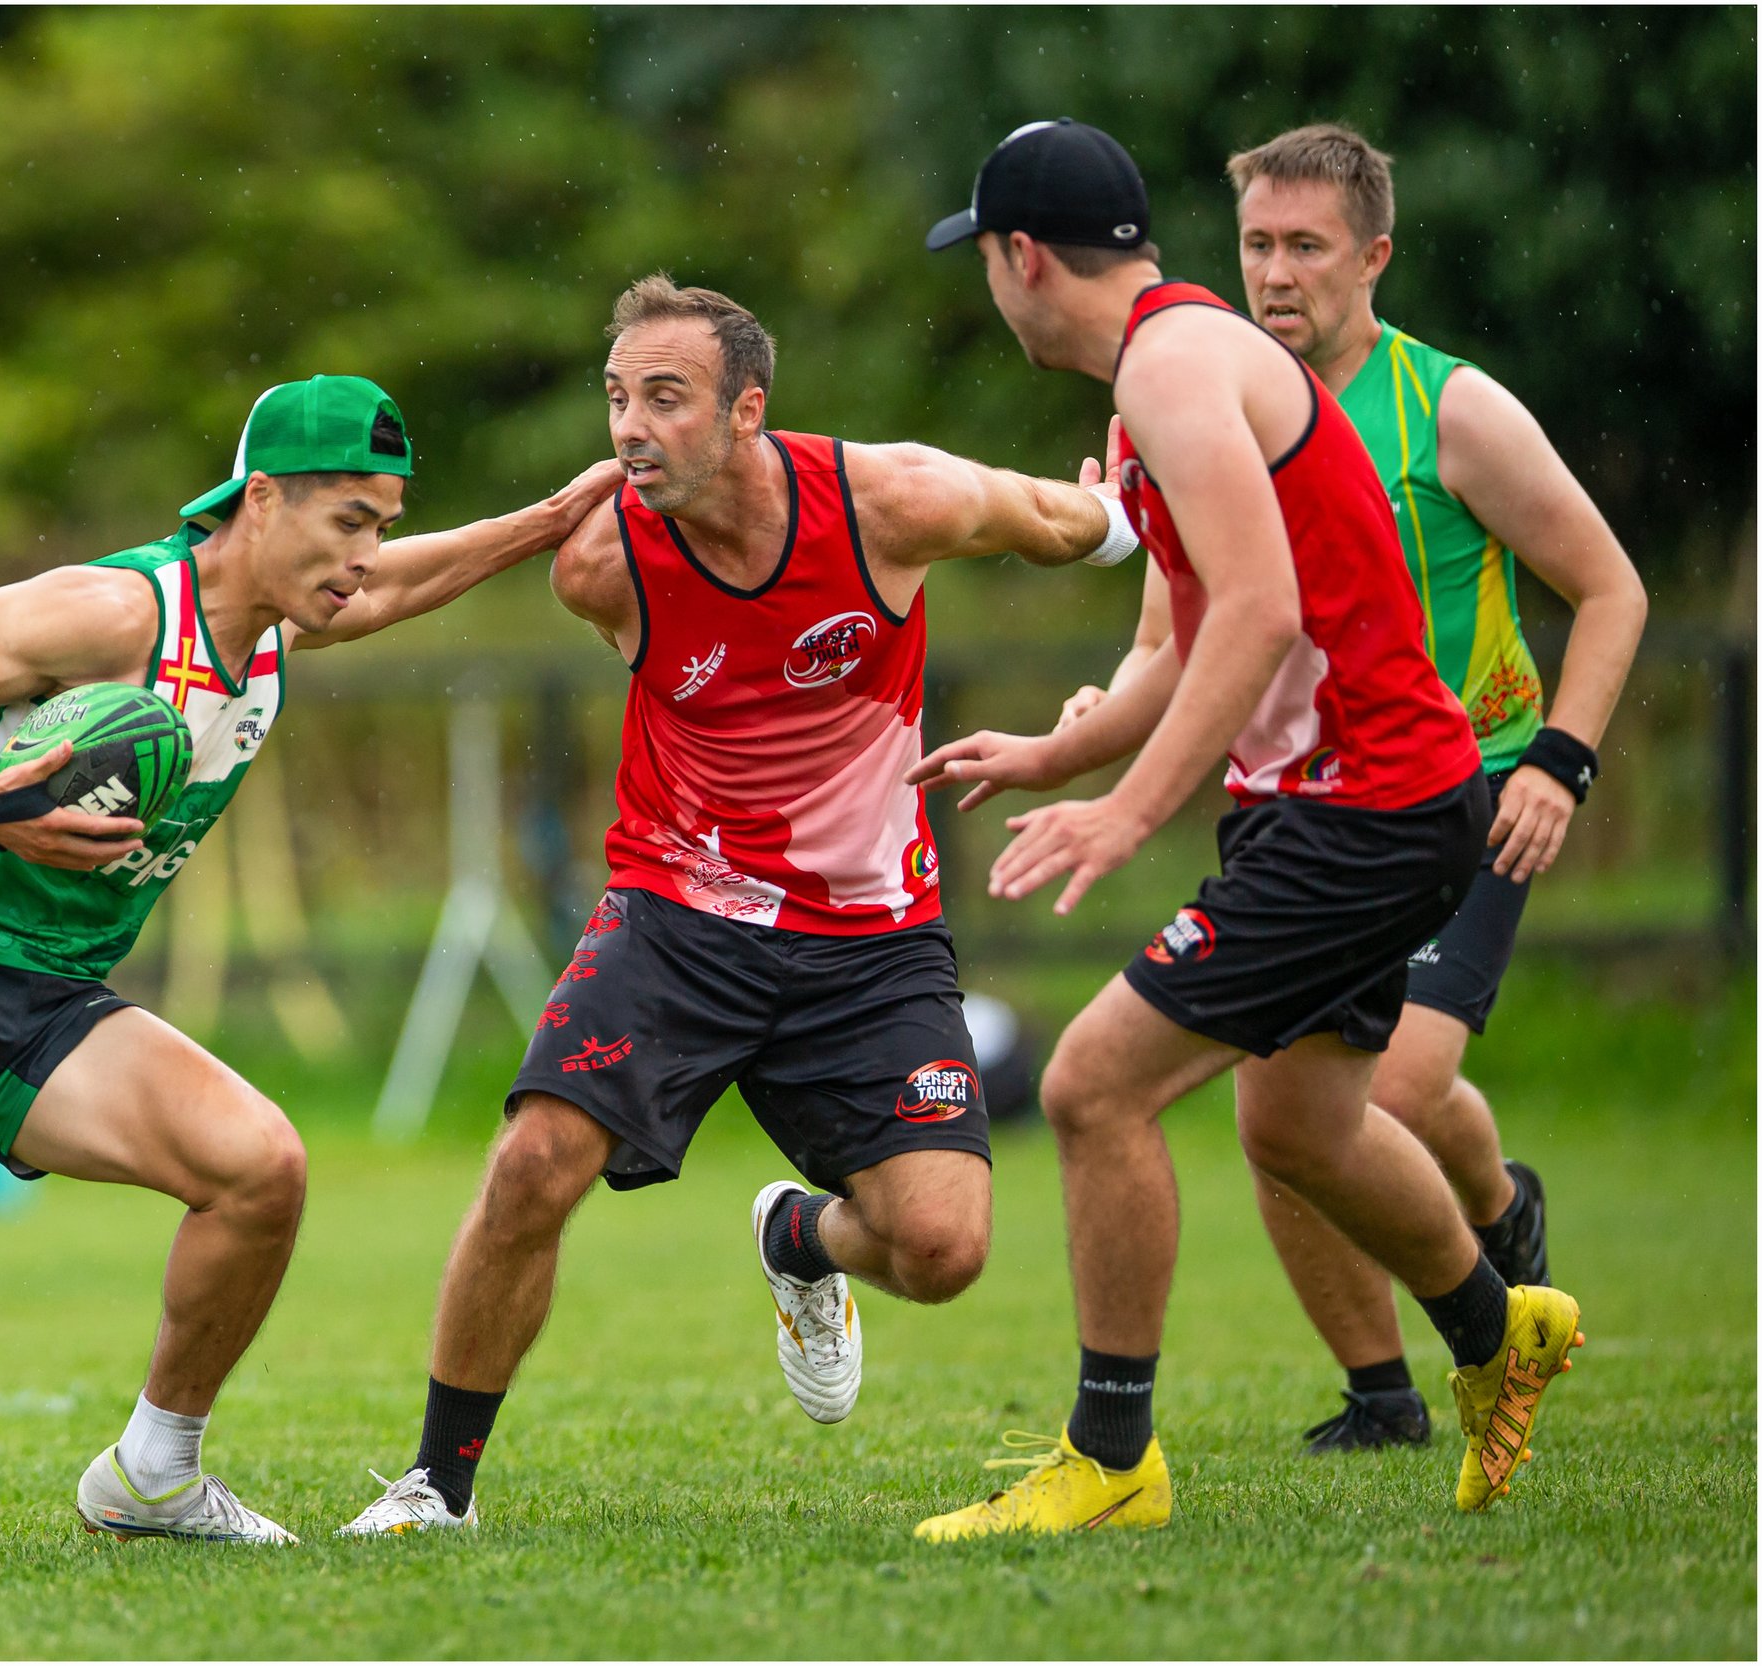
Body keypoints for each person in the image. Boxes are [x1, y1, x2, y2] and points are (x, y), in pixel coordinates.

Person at [0, 376, 620, 1586]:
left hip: (51, 990)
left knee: (259, 1167)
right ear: (261, 499)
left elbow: (393, 587)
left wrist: (548, 519)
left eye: (381, 522)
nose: (365, 555)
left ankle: (152, 1474)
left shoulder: (283, 621)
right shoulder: (113, 612)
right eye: (349, 521)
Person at [337, 274, 1142, 1536]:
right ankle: (438, 1483)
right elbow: (363, 600)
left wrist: (1122, 518)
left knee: (943, 1250)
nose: (631, 426)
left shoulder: (887, 501)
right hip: (678, 911)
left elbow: (1059, 521)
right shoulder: (604, 562)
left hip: (872, 938)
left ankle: (802, 1243)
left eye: (666, 397)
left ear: (747, 409)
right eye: (617, 398)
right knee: (534, 1160)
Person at [910, 119, 1583, 1540]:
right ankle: (1495, 1332)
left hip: (1370, 810)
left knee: (1093, 1083)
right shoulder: (1178, 360)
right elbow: (1194, 637)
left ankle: (1112, 1458)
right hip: (1351, 809)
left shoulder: (1171, 368)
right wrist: (1058, 750)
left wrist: (1129, 810)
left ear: (1023, 257)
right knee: (1297, 1119)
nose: (991, 285)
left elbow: (1267, 606)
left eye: (983, 260)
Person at [1054, 123, 1645, 1454]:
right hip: (1311, 801)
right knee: (1291, 1109)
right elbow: (1169, 635)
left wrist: (1562, 758)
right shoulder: (1209, 395)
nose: (1274, 274)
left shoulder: (1451, 409)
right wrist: (1084, 725)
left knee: (1377, 1098)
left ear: (1373, 256)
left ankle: (1495, 1234)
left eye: (1306, 246)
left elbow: (1612, 586)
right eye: (1256, 244)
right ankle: (1393, 1384)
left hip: (1469, 789)